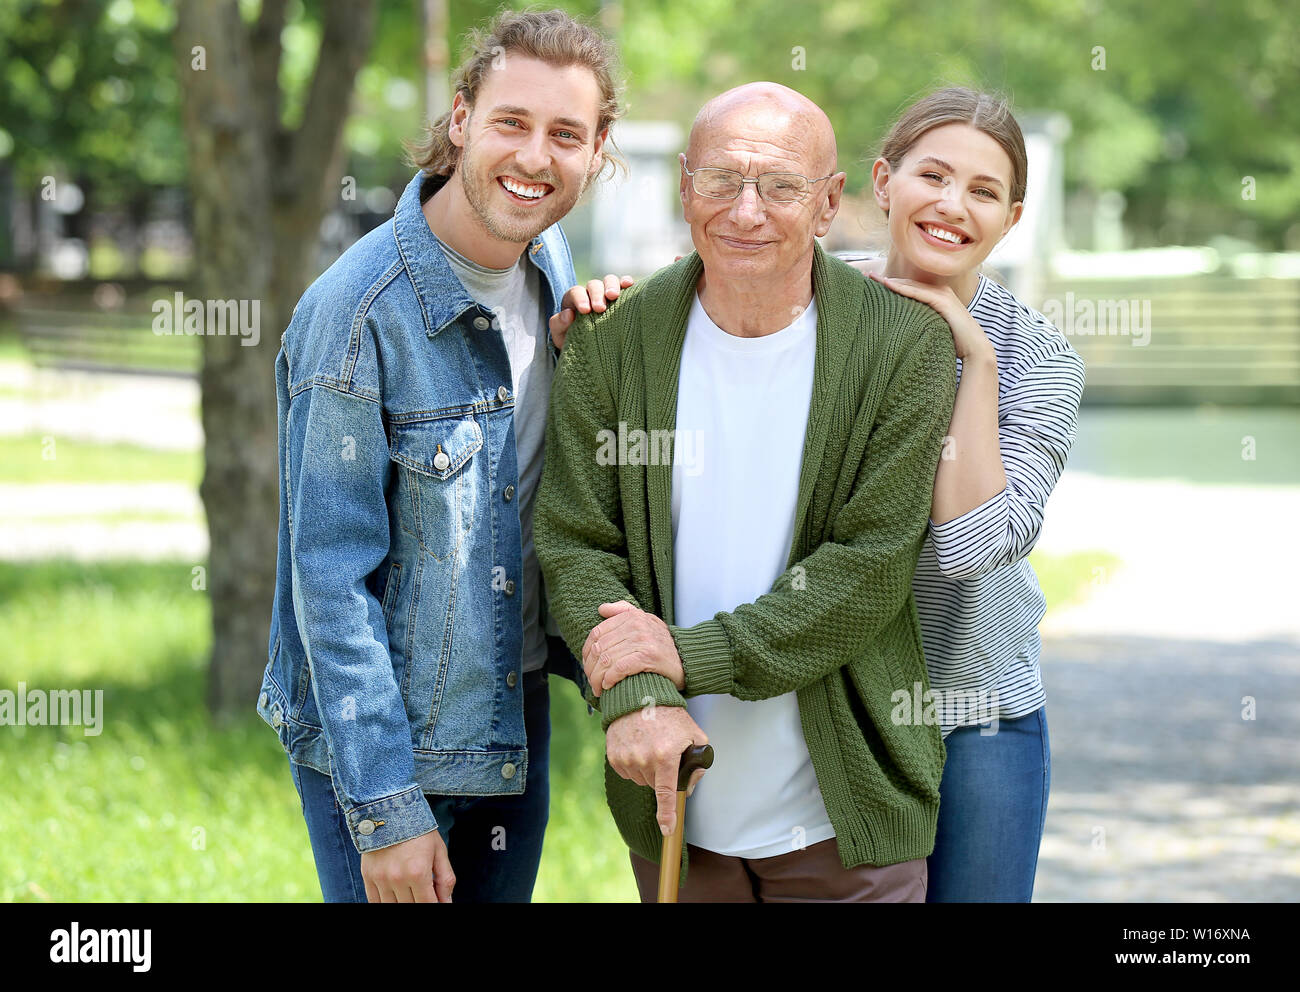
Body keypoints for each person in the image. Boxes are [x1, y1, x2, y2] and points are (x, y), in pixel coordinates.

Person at [534, 81, 957, 902]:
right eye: (721, 180)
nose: (745, 210)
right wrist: (642, 692)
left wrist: (685, 655)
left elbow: (868, 569)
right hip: (674, 817)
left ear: (831, 202)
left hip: (845, 824)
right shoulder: (607, 342)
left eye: (781, 186)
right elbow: (576, 544)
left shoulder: (903, 348)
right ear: (686, 185)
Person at [255, 8, 624, 903]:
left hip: (513, 708)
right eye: (511, 122)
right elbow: (330, 581)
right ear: (461, 120)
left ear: (598, 150)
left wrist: (586, 361)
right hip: (390, 741)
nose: (535, 158)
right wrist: (386, 808)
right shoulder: (355, 316)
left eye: (565, 134)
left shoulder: (549, 262)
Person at [842, 87, 1086, 901]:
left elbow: (974, 546)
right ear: (883, 180)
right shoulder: (806, 302)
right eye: (932, 176)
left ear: (1011, 219)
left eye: (983, 191)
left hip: (976, 713)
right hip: (831, 706)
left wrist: (972, 360)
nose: (952, 206)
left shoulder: (1037, 360)